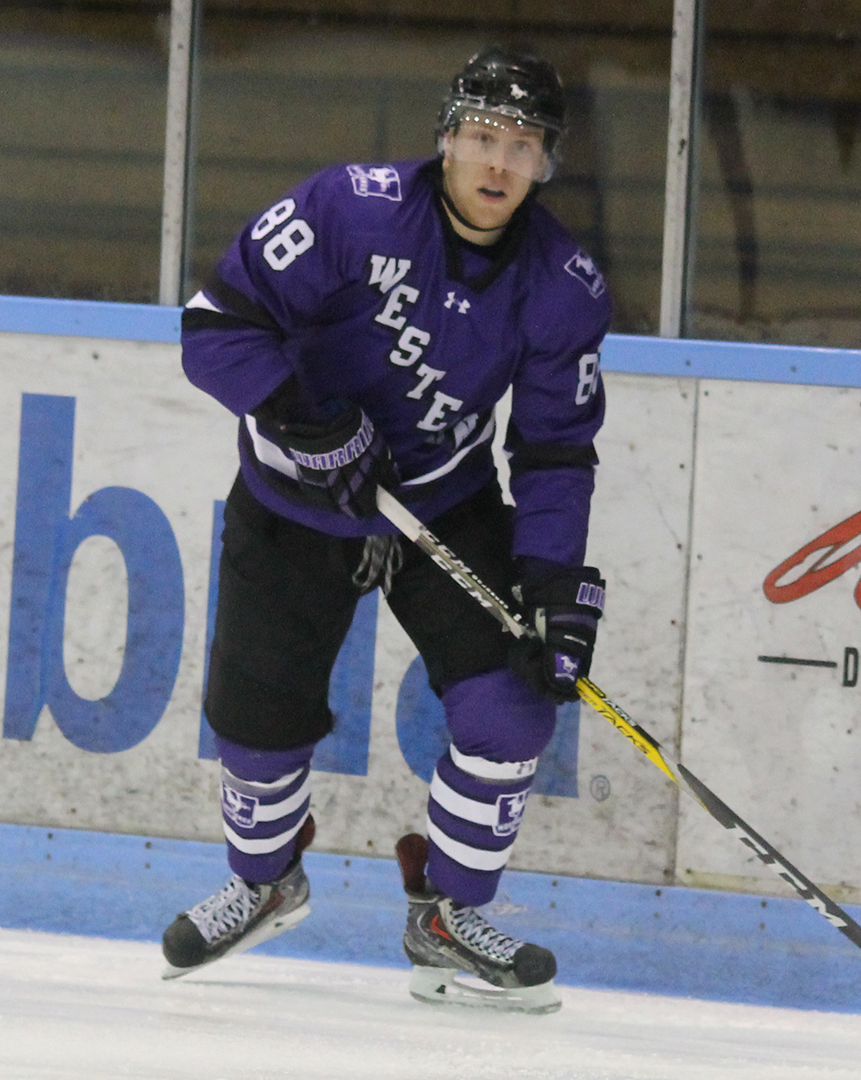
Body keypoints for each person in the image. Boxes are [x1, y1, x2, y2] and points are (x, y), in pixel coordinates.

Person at [163, 46, 611, 1015]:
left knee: (512, 706)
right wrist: (304, 420)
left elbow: (555, 450)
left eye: (522, 146)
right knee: (255, 727)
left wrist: (550, 580)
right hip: (296, 500)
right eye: (483, 137)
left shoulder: (563, 285)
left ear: (546, 163)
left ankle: (447, 914)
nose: (498, 163)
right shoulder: (348, 209)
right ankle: (266, 881)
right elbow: (214, 327)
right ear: (447, 139)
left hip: (441, 505)